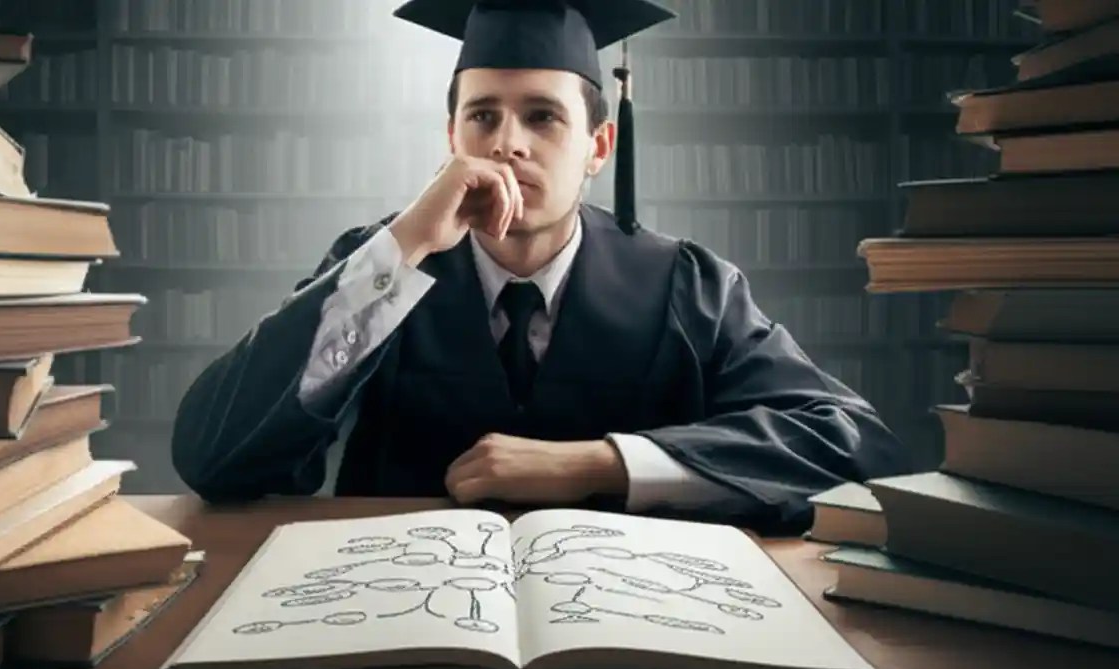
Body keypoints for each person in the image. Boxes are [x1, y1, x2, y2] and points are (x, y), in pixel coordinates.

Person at [169, 0, 912, 534]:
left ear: (598, 146)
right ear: (450, 135)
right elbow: (213, 459)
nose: (507, 144)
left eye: (543, 116)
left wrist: (600, 464)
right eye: (483, 116)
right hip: (405, 642)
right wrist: (402, 245)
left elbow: (856, 444)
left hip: (630, 644)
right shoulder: (376, 270)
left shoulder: (687, 286)